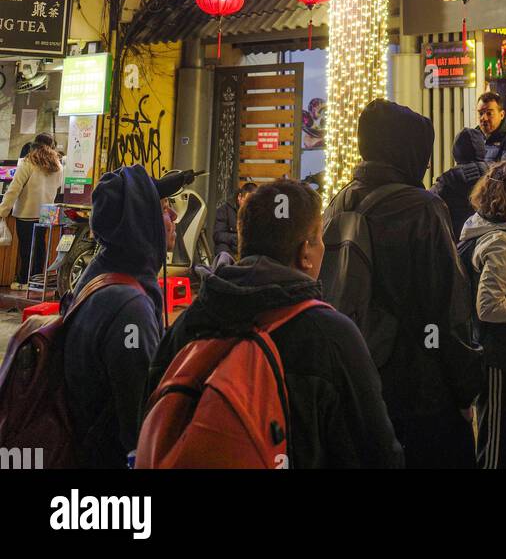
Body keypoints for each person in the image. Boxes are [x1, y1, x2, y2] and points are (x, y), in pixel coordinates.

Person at [146, 177, 403, 469]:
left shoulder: (192, 320)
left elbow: (151, 412)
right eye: (319, 239)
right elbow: (378, 453)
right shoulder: (332, 336)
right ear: (305, 252)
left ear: (244, 241)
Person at [323, 100, 483, 469]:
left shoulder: (340, 200)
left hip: (357, 381)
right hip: (421, 392)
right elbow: (447, 306)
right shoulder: (421, 208)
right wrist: (464, 388)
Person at [61, 165, 175, 468]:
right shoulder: (130, 309)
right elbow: (140, 427)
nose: (173, 217)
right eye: (163, 209)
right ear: (143, 222)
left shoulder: (99, 272)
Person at [459, 162, 506, 469]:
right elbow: (488, 306)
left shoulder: (479, 226)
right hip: (496, 354)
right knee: (495, 439)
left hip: (489, 348)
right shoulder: (502, 241)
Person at [0, 132, 63, 286]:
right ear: (52, 146)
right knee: (40, 246)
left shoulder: (28, 162)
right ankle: (36, 280)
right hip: (46, 213)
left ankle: (24, 280)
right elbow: (58, 186)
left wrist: (3, 210)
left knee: (26, 248)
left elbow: (14, 189)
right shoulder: (57, 165)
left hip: (27, 212)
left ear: (35, 145)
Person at [431, 127, 488, 240]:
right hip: (492, 241)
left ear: (455, 152)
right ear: (483, 149)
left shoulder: (448, 180)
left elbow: (429, 206)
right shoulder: (496, 174)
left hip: (458, 243)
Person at [477, 91, 506, 164]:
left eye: (489, 113)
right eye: (480, 113)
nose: (484, 118)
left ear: (502, 115)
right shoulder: (473, 139)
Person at [212, 181, 256, 258]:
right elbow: (218, 235)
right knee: (222, 250)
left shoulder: (257, 212)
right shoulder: (224, 210)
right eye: (247, 201)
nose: (249, 205)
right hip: (229, 249)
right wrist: (237, 238)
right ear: (239, 197)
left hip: (249, 251)